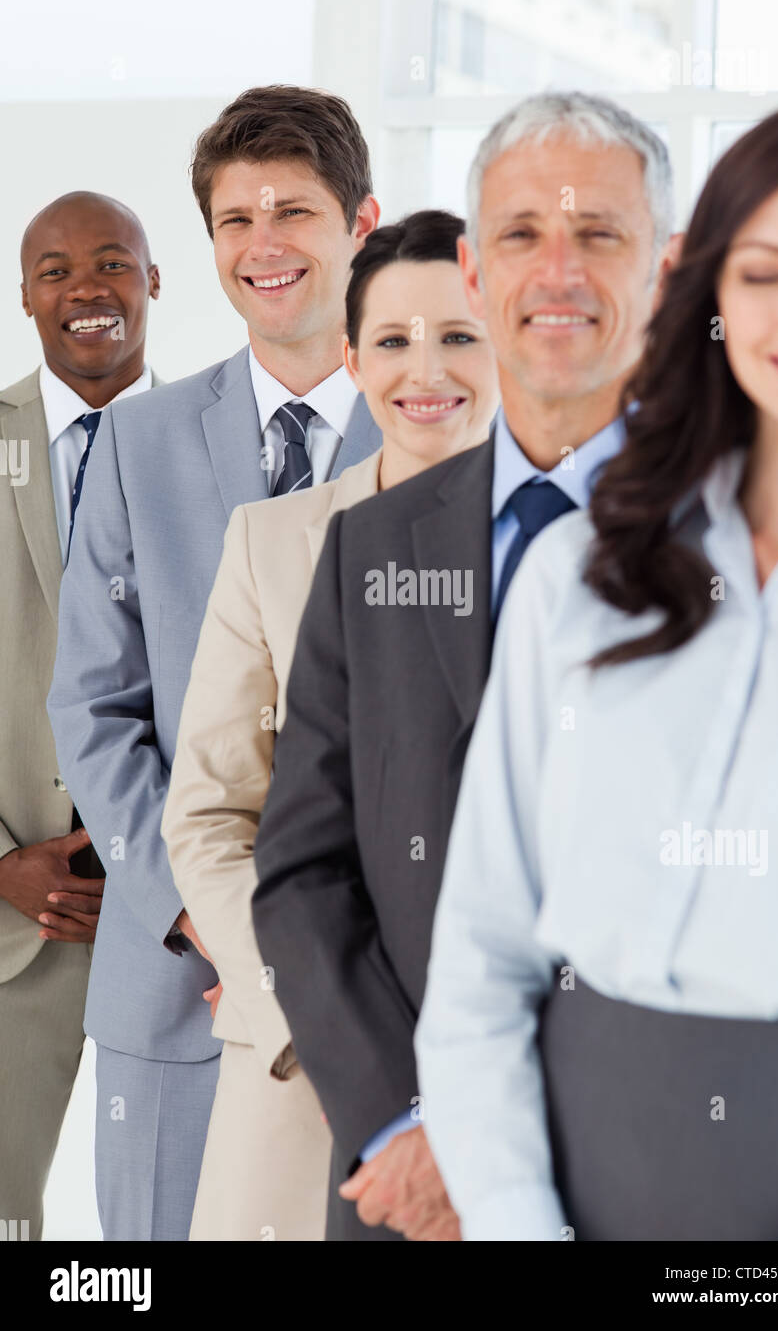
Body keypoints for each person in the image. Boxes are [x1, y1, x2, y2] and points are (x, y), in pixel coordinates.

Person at [251, 91, 680, 1241]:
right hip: (413, 1192)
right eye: (520, 234)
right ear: (477, 277)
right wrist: (411, 1126)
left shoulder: (762, 543)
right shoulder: (372, 545)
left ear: (668, 272)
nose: (558, 271)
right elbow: (302, 869)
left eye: (599, 234)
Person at [416, 100, 778, 1242]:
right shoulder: (580, 573)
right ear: (705, 296)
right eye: (763, 273)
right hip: (551, 1189)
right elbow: (482, 956)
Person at [46, 85, 382, 1241]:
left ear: (363, 226)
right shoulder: (136, 442)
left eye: (294, 209)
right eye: (234, 220)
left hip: (381, 988)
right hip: (176, 979)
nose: (263, 244)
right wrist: (209, 920)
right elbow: (91, 705)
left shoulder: (447, 437)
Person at [161, 209, 498, 1241]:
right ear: (351, 358)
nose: (424, 369)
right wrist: (303, 995)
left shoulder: (578, 546)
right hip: (306, 1059)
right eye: (392, 340)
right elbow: (212, 812)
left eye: (459, 335)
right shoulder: (276, 542)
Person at [0, 192, 160, 1239]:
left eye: (112, 262)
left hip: (176, 919)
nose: (86, 289)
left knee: (177, 1218)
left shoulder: (219, 443)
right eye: (56, 269)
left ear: (153, 283)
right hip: (14, 921)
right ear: (24, 296)